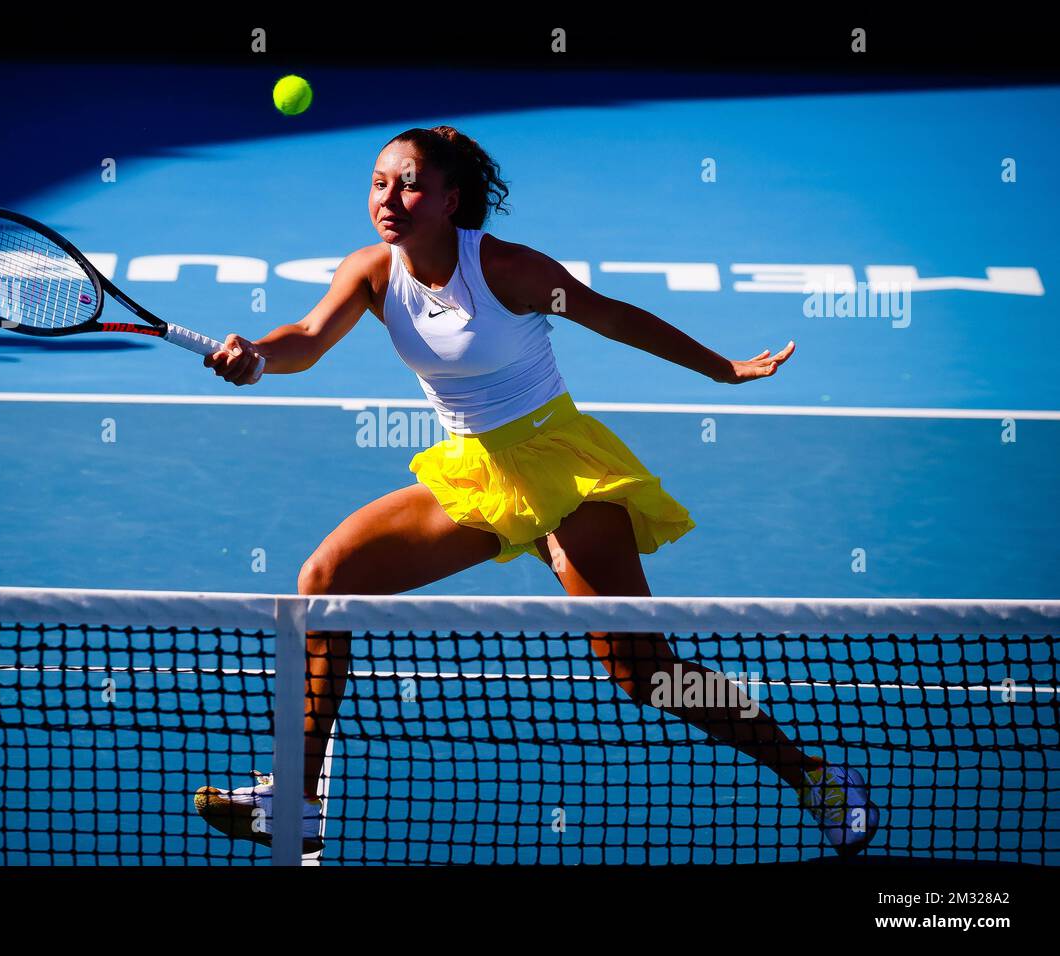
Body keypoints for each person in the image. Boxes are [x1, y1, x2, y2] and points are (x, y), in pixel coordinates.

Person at [194, 126, 877, 859]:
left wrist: (722, 370)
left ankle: (813, 777)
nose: (389, 198)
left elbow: (611, 315)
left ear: (452, 200)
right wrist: (259, 353)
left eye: (410, 183)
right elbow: (306, 333)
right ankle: (293, 797)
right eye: (379, 182)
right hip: (475, 471)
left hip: (563, 469)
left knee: (645, 673)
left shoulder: (507, 270)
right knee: (322, 585)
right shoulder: (371, 272)